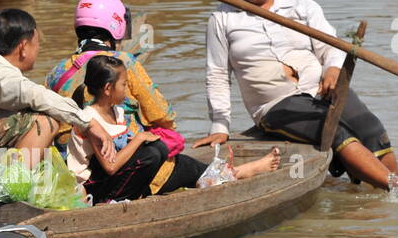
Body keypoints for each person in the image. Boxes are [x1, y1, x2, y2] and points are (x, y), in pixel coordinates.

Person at [194, 0, 398, 191]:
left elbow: (331, 45)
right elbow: (216, 73)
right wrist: (219, 126)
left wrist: (333, 69)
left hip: (319, 90)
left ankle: (396, 193)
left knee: (372, 129)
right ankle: (395, 189)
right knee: (336, 132)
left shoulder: (301, 6)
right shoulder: (223, 18)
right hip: (275, 106)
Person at [69, 54, 280, 204]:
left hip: (121, 177)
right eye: (124, 85)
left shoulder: (117, 112)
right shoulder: (90, 120)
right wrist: (140, 138)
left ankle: (240, 172)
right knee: (152, 152)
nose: (126, 89)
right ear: (108, 89)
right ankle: (114, 201)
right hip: (97, 187)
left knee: (167, 153)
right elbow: (110, 167)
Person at [0, 8, 115, 166]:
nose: (38, 48)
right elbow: (37, 95)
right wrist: (89, 123)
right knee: (44, 122)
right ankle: (14, 185)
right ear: (23, 47)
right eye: (37, 43)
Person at [46, 0, 177, 138]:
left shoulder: (57, 72)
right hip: (121, 152)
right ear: (117, 27)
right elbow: (161, 114)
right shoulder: (124, 62)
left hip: (71, 155)